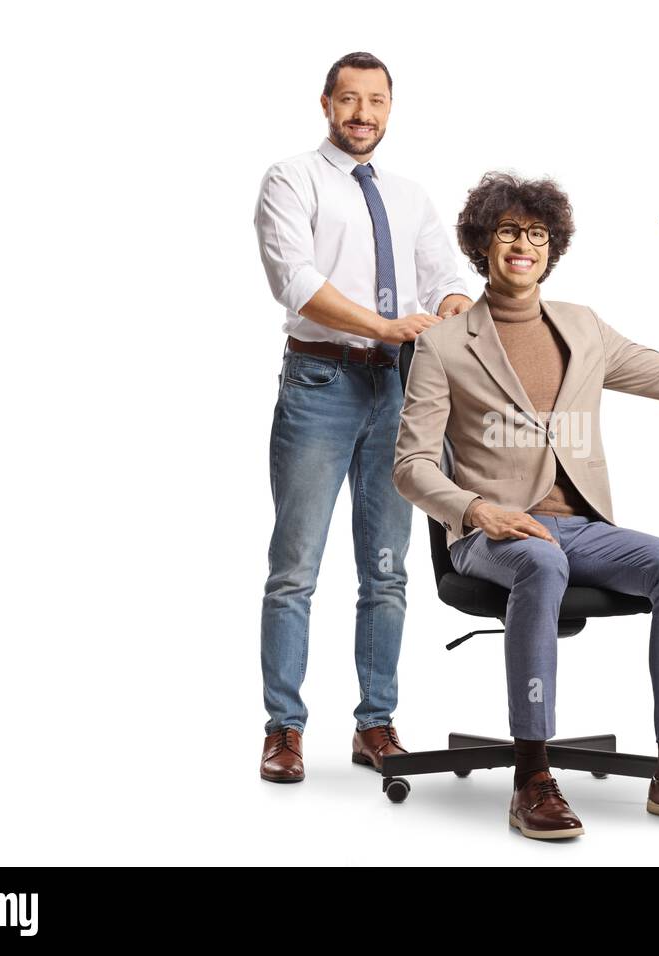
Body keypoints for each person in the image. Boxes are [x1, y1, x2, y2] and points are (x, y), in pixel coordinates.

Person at [393, 172, 659, 838]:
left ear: (552, 248)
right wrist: (475, 510)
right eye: (510, 230)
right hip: (491, 533)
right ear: (484, 244)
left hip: (580, 528)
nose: (525, 244)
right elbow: (412, 465)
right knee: (540, 565)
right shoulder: (444, 344)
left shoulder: (583, 327)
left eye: (537, 233)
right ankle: (532, 775)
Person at [252, 52, 472, 783]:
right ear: (326, 103)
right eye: (349, 100)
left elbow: (445, 278)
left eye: (375, 101)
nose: (363, 115)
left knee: (387, 572)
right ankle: (284, 728)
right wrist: (382, 327)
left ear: (389, 107)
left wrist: (449, 311)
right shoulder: (292, 179)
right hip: (320, 383)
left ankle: (375, 724)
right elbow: (298, 282)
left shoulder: (408, 195)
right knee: (295, 570)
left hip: (400, 395)